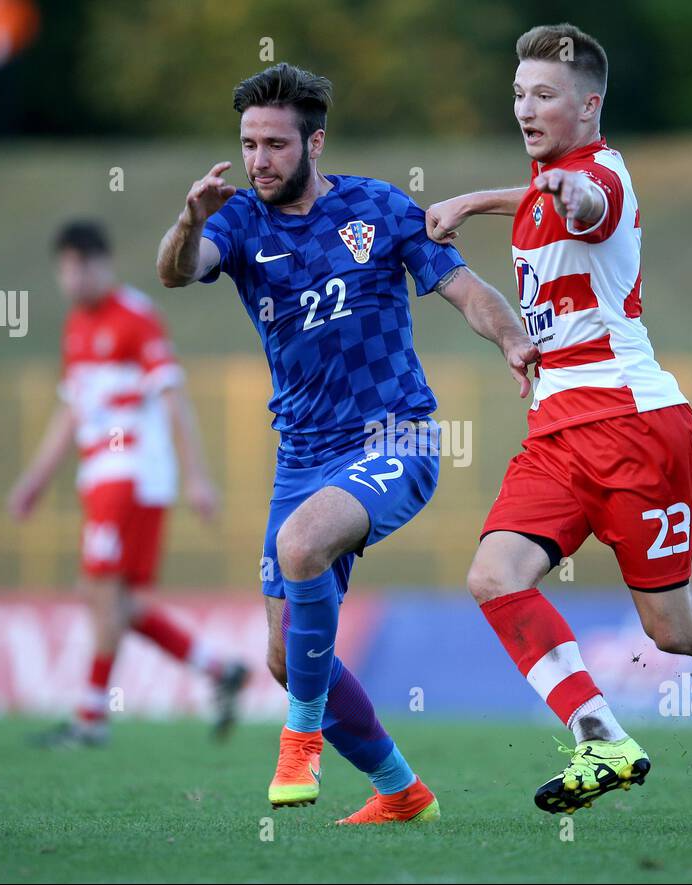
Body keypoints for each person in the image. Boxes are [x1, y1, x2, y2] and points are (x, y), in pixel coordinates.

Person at [425, 24, 692, 815]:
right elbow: (546, 198)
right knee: (492, 576)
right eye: (518, 94)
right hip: (555, 429)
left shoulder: (601, 178)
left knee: (675, 630)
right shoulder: (542, 188)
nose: (525, 107)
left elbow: (587, 204)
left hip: (631, 428)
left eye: (544, 95)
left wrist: (555, 194)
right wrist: (475, 204)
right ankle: (602, 738)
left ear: (589, 106)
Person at [156, 64, 536, 824]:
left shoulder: (378, 207)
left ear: (314, 141)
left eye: (274, 144)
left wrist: (512, 339)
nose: (259, 159)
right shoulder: (236, 222)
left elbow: (465, 288)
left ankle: (300, 739)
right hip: (302, 454)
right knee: (283, 654)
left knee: (301, 549)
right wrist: (190, 219)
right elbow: (175, 271)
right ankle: (402, 791)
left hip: (395, 435)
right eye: (248, 144)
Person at [9, 220, 247, 746]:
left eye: (80, 266)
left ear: (101, 264)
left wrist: (198, 478)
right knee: (115, 600)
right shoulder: (76, 327)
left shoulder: (135, 318)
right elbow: (71, 413)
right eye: (64, 269)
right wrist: (35, 480)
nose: (72, 278)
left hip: (132, 473)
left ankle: (91, 719)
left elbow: (172, 397)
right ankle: (217, 669)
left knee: (99, 591)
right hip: (99, 476)